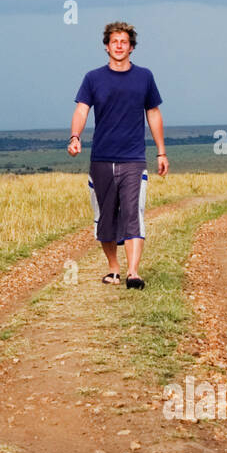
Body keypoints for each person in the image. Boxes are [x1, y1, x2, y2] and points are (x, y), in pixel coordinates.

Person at [67, 21, 168, 289]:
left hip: (134, 158)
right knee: (105, 217)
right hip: (101, 158)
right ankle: (114, 269)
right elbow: (81, 110)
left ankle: (133, 273)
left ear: (131, 47)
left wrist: (161, 152)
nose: (119, 46)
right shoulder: (93, 78)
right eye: (115, 42)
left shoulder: (144, 77)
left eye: (124, 42)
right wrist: (75, 137)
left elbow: (153, 113)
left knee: (134, 212)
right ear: (107, 47)